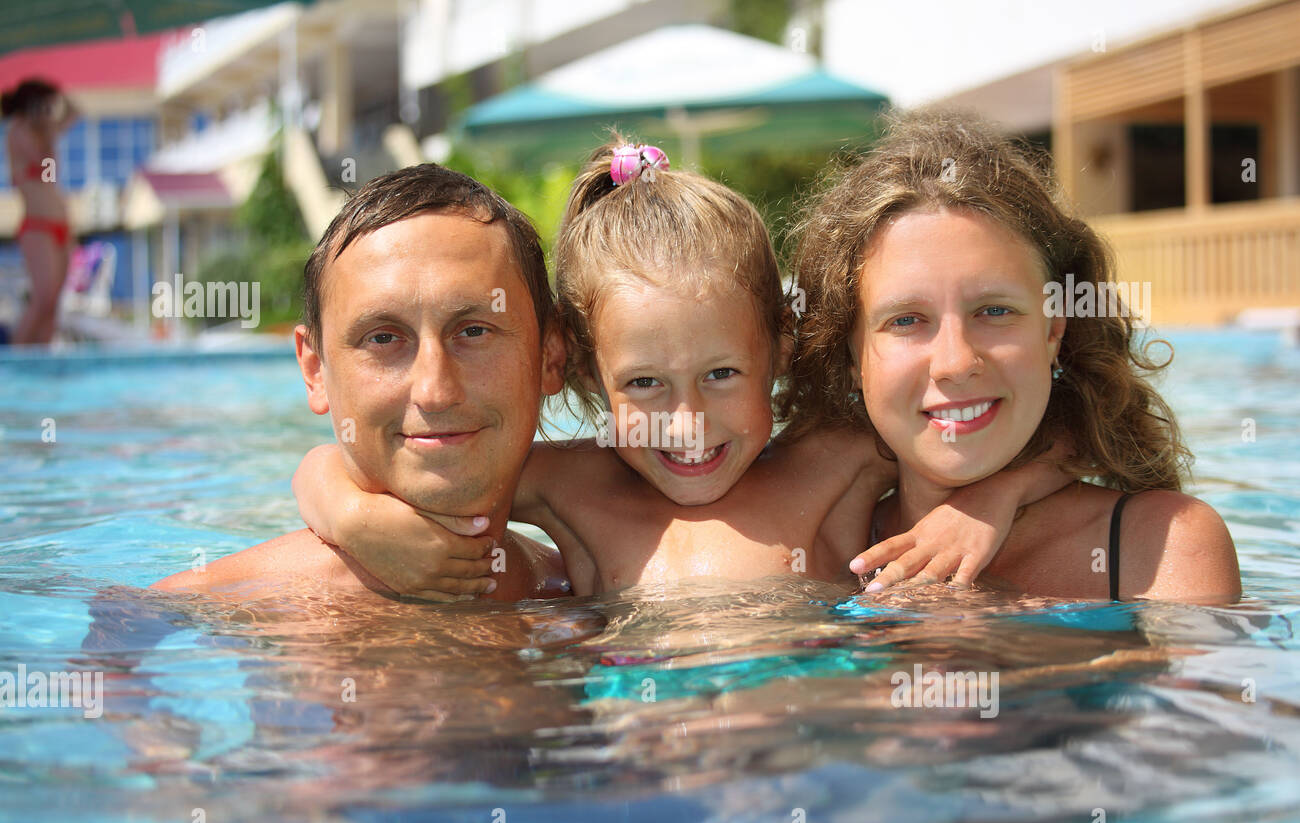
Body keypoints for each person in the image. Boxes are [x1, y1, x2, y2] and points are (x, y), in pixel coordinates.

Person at [292, 139, 1075, 599]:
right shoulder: (572, 483)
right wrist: (351, 516)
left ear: (781, 345)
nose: (688, 421)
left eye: (724, 375)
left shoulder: (835, 458)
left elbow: (1047, 427)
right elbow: (371, 456)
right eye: (643, 385)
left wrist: (990, 502)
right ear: (583, 372)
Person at [785, 110, 1241, 604]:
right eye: (906, 320)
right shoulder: (814, 550)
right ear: (850, 358)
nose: (956, 362)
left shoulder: (1159, 547)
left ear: (1053, 333)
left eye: (995, 310)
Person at [152, 163, 570, 602]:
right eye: (384, 338)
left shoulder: (584, 585)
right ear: (316, 371)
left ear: (551, 355)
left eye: (473, 331)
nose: (435, 392)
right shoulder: (193, 608)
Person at [3, 78, 78, 346]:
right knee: (42, 297)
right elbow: (40, 156)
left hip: (59, 224)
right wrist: (50, 128)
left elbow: (49, 173)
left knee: (53, 303)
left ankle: (42, 360)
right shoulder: (19, 130)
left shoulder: (45, 132)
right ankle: (16, 361)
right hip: (37, 227)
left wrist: (61, 104)